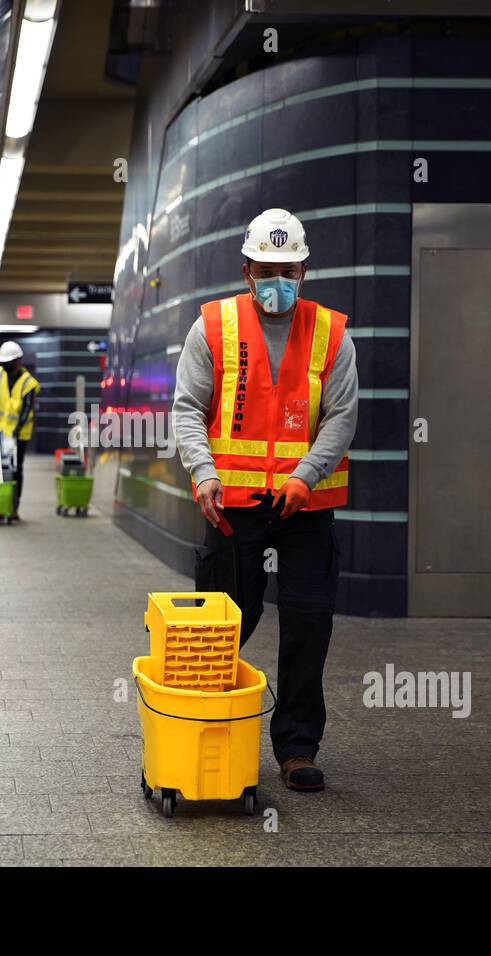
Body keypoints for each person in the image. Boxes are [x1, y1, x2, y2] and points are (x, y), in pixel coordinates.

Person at [171, 207, 358, 792]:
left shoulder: (330, 332)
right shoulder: (213, 327)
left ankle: (297, 749)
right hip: (233, 508)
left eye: (289, 268)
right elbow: (187, 409)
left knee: (307, 624)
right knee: (225, 624)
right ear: (247, 268)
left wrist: (306, 475)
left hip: (307, 507)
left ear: (304, 270)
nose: (278, 278)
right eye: (266, 267)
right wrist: (202, 474)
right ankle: (208, 729)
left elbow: (342, 415)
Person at [0, 341, 39, 520]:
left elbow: (27, 409)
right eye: (4, 364)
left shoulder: (29, 383)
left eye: (9, 363)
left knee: (16, 469)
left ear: (18, 361)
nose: (6, 367)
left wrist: (18, 428)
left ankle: (14, 505)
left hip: (19, 433)